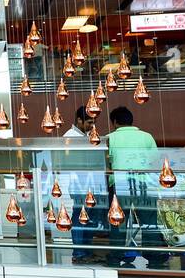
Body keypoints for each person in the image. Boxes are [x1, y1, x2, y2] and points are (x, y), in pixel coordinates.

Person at [106, 105, 166, 266]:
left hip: (119, 184)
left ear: (115, 122)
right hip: (144, 183)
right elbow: (155, 161)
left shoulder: (110, 138)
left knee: (117, 222)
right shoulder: (147, 137)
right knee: (148, 221)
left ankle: (115, 257)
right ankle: (154, 256)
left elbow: (106, 163)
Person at [62, 106, 102, 263]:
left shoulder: (85, 135)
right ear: (79, 120)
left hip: (88, 183)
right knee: (80, 217)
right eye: (89, 122)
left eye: (94, 122)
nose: (92, 125)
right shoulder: (70, 136)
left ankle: (85, 252)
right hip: (79, 183)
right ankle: (79, 253)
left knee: (87, 218)